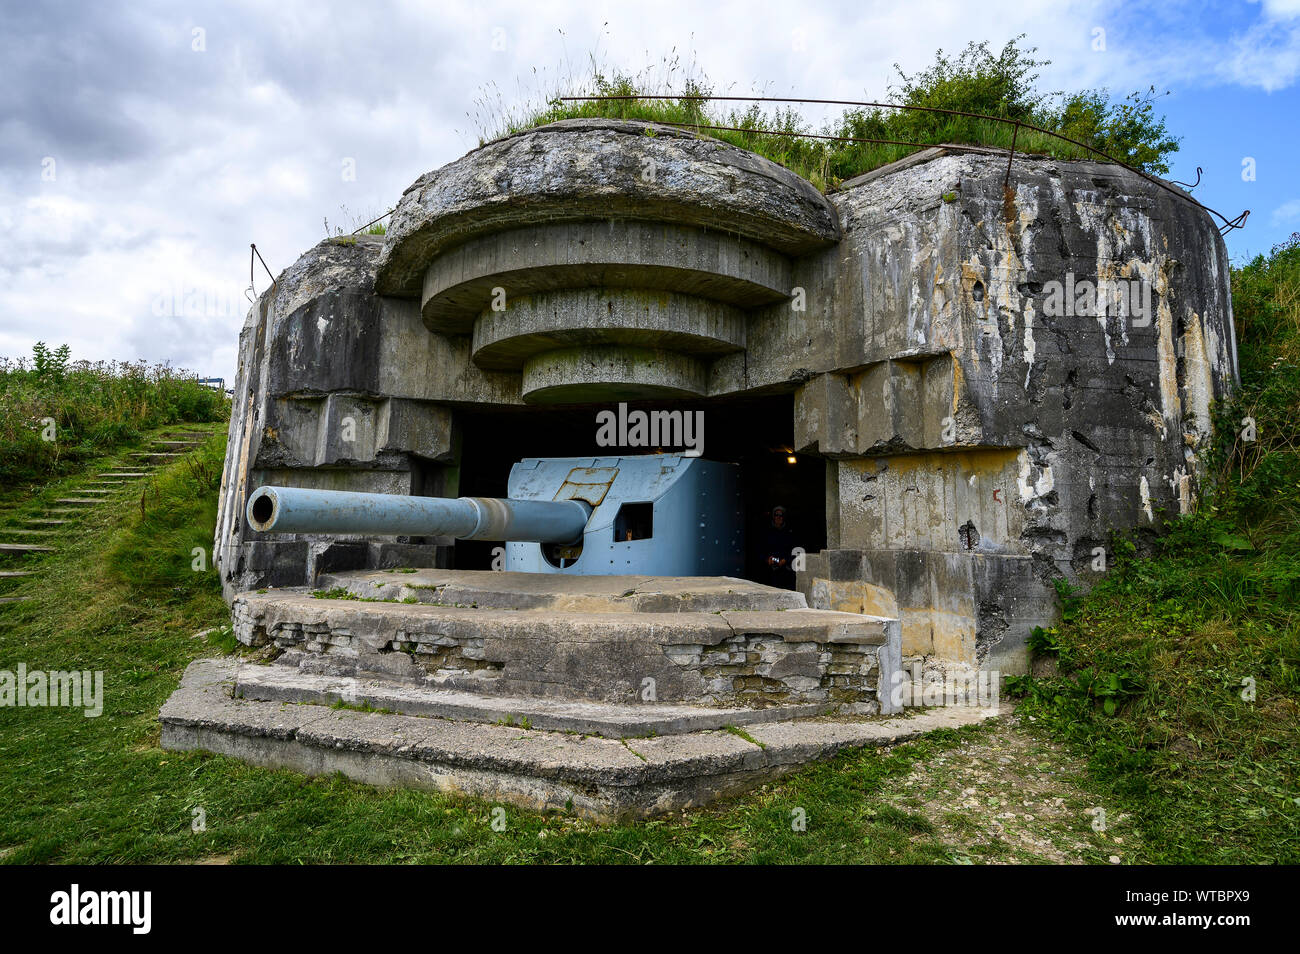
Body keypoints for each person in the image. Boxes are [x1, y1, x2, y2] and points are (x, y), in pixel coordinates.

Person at [762, 505, 796, 589]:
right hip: (770, 570)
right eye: (776, 515)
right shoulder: (767, 531)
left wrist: (785, 560)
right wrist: (767, 559)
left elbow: (795, 550)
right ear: (773, 517)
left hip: (786, 569)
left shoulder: (789, 532)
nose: (778, 517)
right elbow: (761, 549)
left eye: (781, 515)